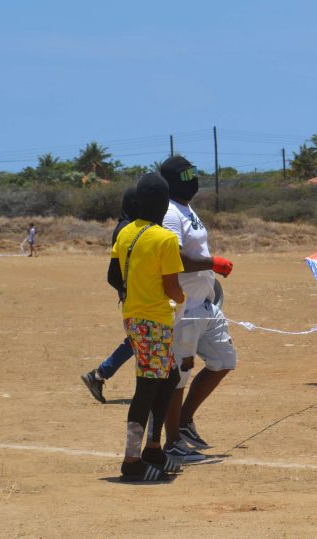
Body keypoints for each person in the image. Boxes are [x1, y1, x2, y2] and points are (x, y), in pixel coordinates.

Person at [158, 156, 236, 462]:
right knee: (180, 374)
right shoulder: (168, 213)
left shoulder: (186, 208)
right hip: (185, 308)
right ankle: (173, 441)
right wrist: (212, 263)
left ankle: (185, 420)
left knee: (224, 360)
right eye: (185, 175)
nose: (192, 180)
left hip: (205, 305)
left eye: (194, 174)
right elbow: (173, 257)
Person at [108, 173, 185, 481]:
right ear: (165, 204)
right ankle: (132, 461)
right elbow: (173, 288)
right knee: (147, 387)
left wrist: (133, 292)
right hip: (155, 320)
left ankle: (153, 448)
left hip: (134, 317)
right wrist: (182, 297)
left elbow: (114, 275)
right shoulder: (164, 238)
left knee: (170, 377)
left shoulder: (126, 233)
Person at [81, 188, 140, 404]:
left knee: (139, 339)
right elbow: (117, 271)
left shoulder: (124, 226)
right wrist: (128, 291)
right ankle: (99, 374)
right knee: (141, 339)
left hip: (133, 293)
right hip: (136, 294)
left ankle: (100, 374)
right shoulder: (126, 228)